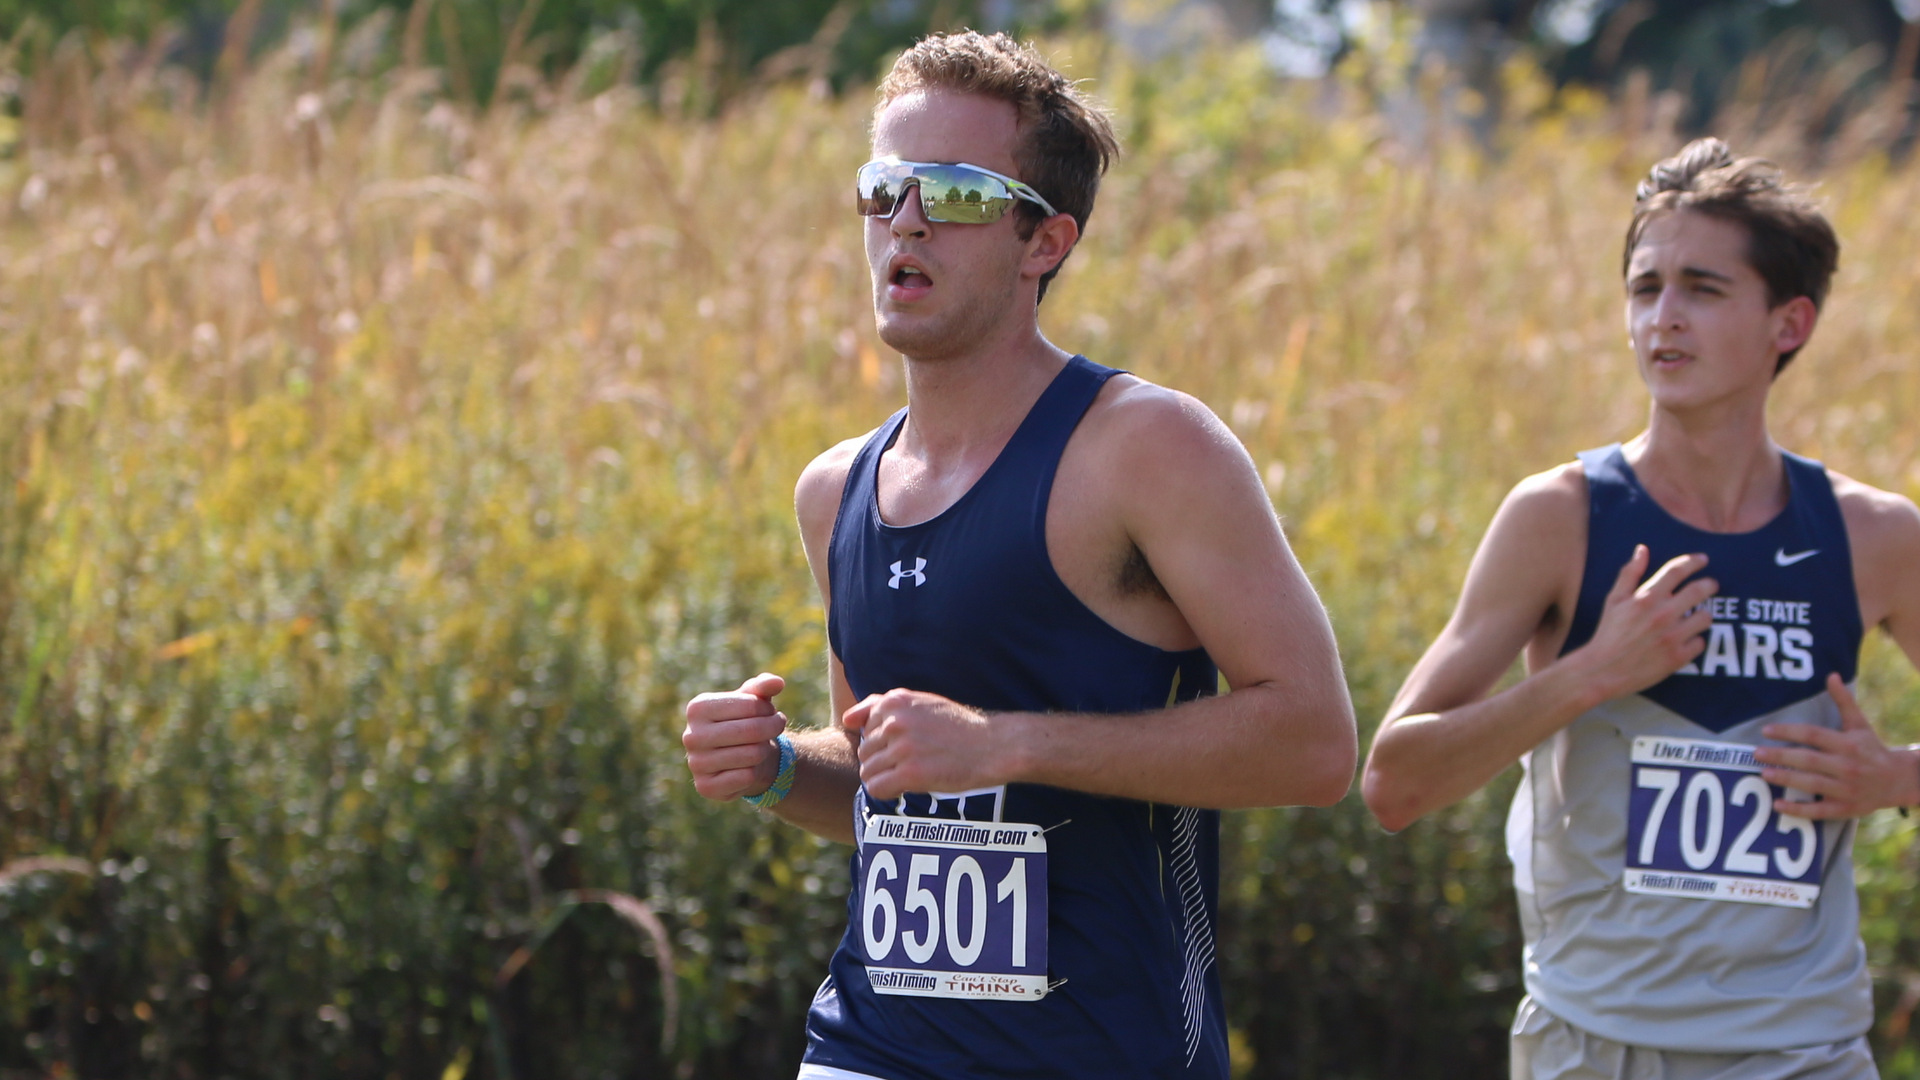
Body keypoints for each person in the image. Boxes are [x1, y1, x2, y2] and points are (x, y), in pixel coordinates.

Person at [680, 30, 1356, 1080]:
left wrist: (1010, 745)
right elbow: (885, 784)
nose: (904, 220)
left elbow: (1315, 744)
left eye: (950, 193)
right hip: (866, 1051)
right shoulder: (834, 491)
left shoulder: (1147, 449)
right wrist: (771, 769)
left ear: (1046, 242)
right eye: (883, 187)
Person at [1361, 137, 1920, 1079]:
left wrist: (1894, 778)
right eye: (1644, 286)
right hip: (1594, 1047)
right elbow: (1394, 782)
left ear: (1790, 323)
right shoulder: (1560, 518)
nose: (1663, 319)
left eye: (1703, 288)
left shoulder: (1874, 535)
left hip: (1803, 1052)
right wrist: (1593, 674)